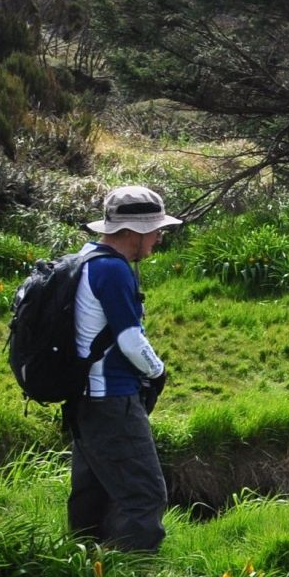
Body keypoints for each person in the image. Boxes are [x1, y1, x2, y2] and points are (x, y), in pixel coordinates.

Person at [67, 185, 182, 553]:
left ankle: (87, 573)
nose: (160, 237)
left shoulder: (84, 259)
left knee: (93, 493)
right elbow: (131, 341)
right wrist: (158, 371)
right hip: (112, 399)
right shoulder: (114, 271)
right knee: (144, 497)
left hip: (82, 398)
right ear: (132, 232)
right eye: (156, 229)